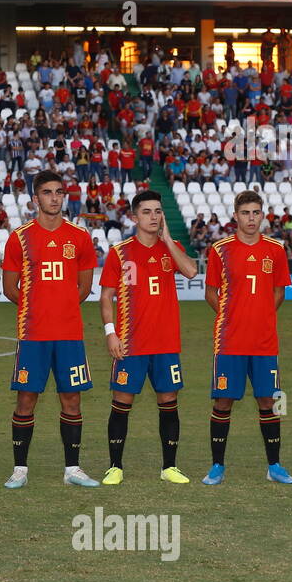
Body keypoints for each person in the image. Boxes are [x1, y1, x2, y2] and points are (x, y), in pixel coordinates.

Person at [1, 170, 100, 489]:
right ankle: (20, 469)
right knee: (26, 400)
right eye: (47, 192)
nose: (54, 197)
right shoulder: (20, 237)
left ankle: (73, 469)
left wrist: (62, 308)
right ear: (36, 198)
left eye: (59, 192)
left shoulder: (80, 237)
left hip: (70, 334)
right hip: (33, 335)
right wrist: (37, 309)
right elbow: (9, 288)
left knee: (72, 401)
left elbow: (84, 287)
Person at [98, 190, 198, 485]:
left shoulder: (172, 248)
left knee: (168, 401)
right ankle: (115, 466)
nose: (153, 217)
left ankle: (170, 467)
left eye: (157, 211)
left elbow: (192, 270)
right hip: (130, 343)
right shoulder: (120, 252)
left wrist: (168, 239)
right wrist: (110, 333)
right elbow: (106, 296)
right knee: (122, 402)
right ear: (133, 217)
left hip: (166, 343)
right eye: (146, 212)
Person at [202, 191, 292, 486]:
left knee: (270, 401)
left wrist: (262, 315)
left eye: (256, 213)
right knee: (223, 401)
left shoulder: (276, 250)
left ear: (263, 214)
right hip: (229, 341)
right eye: (246, 213)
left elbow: (279, 291)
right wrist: (231, 317)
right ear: (236, 215)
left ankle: (275, 466)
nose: (251, 218)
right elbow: (210, 292)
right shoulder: (220, 250)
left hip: (265, 342)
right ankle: (217, 466)